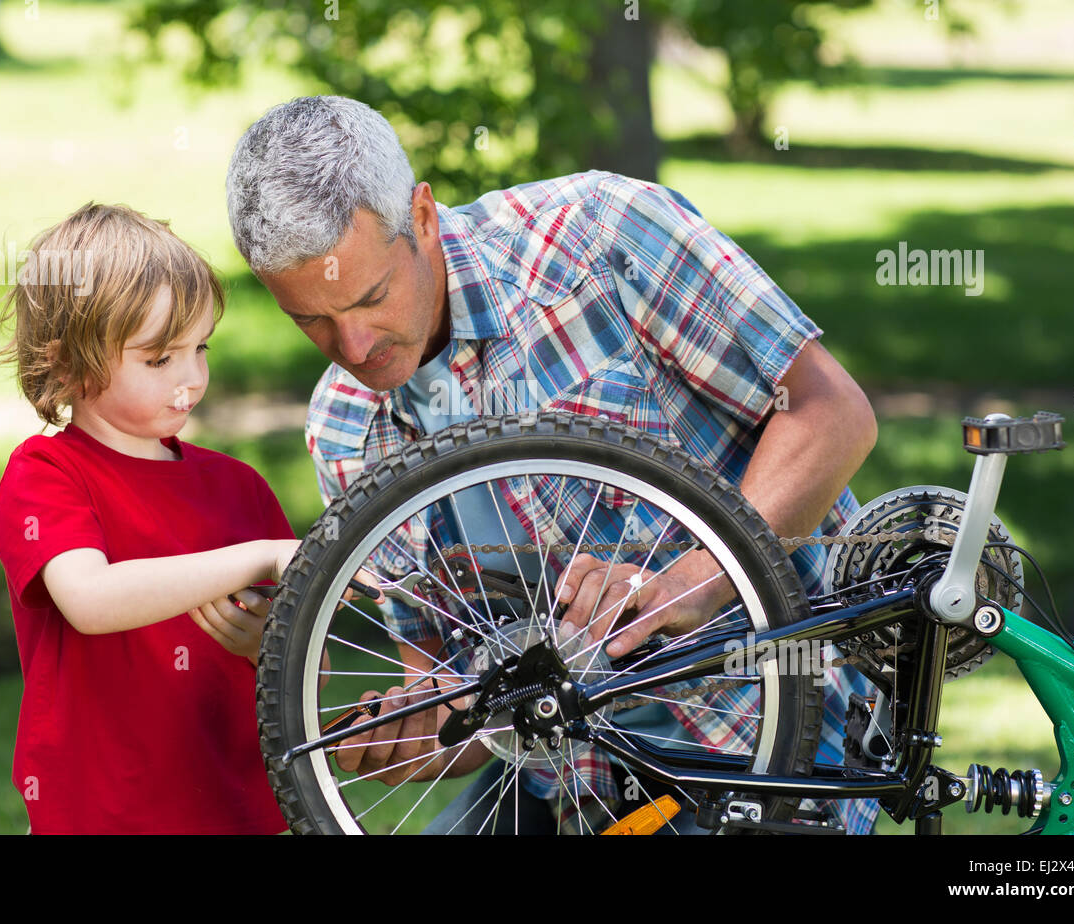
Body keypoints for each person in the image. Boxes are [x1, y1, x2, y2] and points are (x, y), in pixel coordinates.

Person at [226, 95, 881, 834]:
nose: (352, 348)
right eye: (310, 319)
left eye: (371, 297)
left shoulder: (603, 238)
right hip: (570, 784)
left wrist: (695, 582)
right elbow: (443, 678)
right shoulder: (344, 427)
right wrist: (418, 728)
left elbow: (832, 413)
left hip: (764, 744)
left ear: (424, 218)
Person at [0, 203, 364, 833]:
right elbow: (91, 600)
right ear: (69, 364)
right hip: (101, 813)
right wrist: (261, 556)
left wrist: (268, 645)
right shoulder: (46, 475)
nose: (191, 378)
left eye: (200, 348)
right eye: (159, 359)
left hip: (240, 811)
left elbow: (313, 665)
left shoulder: (236, 487)